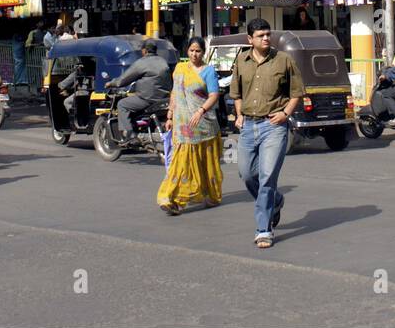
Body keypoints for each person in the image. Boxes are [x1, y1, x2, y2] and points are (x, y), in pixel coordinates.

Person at [229, 18, 303, 249]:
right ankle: (276, 201)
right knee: (246, 174)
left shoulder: (284, 60)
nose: (266, 39)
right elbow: (236, 92)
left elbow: (297, 92)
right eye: (261, 35)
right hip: (248, 126)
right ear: (249, 39)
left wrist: (286, 114)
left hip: (274, 126)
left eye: (268, 34)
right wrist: (239, 114)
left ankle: (263, 229)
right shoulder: (241, 60)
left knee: (267, 177)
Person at [156, 38, 223, 215]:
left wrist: (200, 111)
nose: (194, 54)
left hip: (203, 125)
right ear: (187, 51)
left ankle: (211, 195)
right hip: (181, 125)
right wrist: (169, 115)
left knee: (205, 163)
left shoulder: (208, 71)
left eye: (198, 51)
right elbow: (174, 93)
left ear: (204, 52)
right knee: (181, 162)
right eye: (192, 50)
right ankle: (172, 199)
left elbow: (214, 95)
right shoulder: (180, 69)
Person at [107, 39, 173, 141]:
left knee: (122, 104)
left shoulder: (141, 63)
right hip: (163, 99)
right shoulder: (163, 61)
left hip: (147, 99)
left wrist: (112, 83)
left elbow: (124, 79)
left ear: (144, 51)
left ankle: (129, 133)